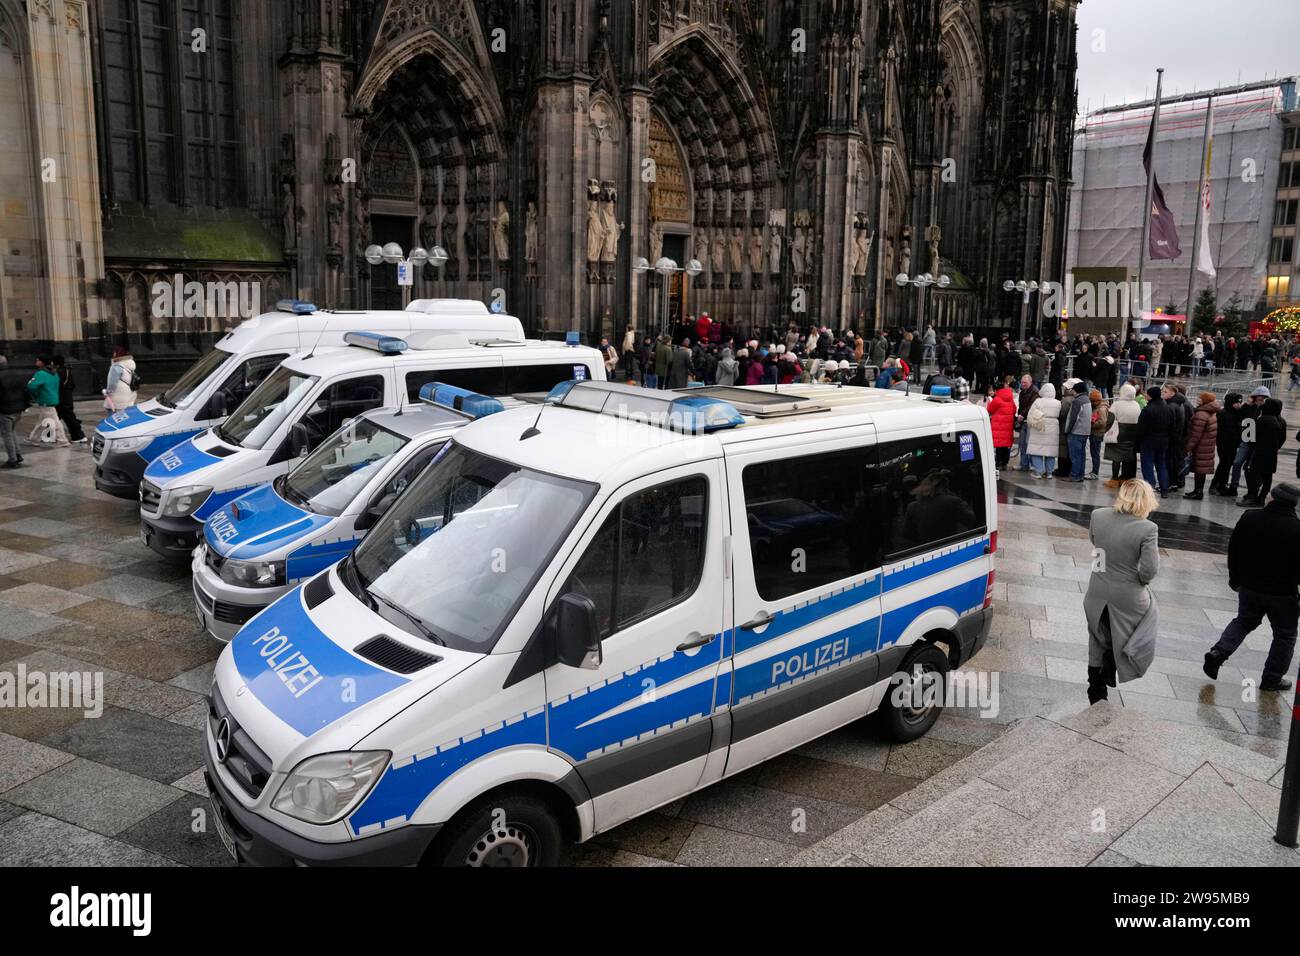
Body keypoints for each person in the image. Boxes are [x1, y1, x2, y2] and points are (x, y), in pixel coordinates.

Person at [1204, 481, 1300, 693]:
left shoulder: (1250, 517)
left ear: (1272, 498)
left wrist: (1234, 577)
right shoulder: (1297, 528)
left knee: (1244, 621)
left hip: (1249, 586)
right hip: (1283, 593)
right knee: (1284, 635)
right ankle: (1271, 679)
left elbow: (1234, 549)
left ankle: (1218, 652)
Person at [1083, 479, 1161, 704]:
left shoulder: (1098, 515)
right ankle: (1113, 664)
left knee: (1097, 638)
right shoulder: (1148, 528)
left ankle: (1095, 687)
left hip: (1096, 591)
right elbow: (1148, 572)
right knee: (1146, 620)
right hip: (1128, 596)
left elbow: (1095, 543)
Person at [1241, 398, 1286, 507]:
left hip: (1258, 452)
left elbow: (1252, 437)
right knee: (1267, 476)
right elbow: (1282, 439)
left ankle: (1252, 496)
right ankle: (1261, 498)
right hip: (1272, 453)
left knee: (1250, 472)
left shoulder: (1263, 420)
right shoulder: (1281, 421)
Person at [25, 356, 70, 447]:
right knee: (42, 421)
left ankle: (62, 440)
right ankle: (33, 439)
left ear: (42, 362)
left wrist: (36, 395)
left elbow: (31, 386)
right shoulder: (54, 372)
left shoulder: (41, 373)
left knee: (55, 421)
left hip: (45, 400)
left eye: (38, 360)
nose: (36, 361)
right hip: (52, 398)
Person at [1136, 385, 1173, 496]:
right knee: (1161, 464)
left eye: (1147, 394)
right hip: (1163, 441)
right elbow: (1172, 426)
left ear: (1151, 396)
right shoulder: (1167, 408)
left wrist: (1138, 441)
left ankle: (1149, 487)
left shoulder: (1148, 409)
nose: (1146, 395)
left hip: (1148, 442)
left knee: (1147, 465)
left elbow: (1141, 428)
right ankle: (1164, 489)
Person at [1182, 392, 1219, 500]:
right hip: (1207, 445)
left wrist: (1187, 448)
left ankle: (1198, 492)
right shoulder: (1211, 412)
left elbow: (1195, 434)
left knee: (1200, 470)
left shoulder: (1201, 414)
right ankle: (1198, 491)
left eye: (1200, 398)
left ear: (1205, 400)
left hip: (1201, 446)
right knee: (1201, 470)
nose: (1197, 399)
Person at [1103, 382, 1141, 487]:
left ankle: (1114, 479)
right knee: (1126, 457)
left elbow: (1110, 420)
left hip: (1119, 432)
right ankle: (1124, 478)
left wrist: (1106, 431)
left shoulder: (1117, 404)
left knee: (1116, 457)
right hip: (1132, 433)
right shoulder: (1136, 405)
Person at [1209, 392, 1244, 495]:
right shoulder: (1223, 413)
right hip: (1224, 444)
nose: (1239, 405)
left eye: (1240, 403)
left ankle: (1222, 484)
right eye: (1236, 403)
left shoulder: (1237, 413)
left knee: (1227, 464)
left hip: (1233, 444)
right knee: (1224, 464)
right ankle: (1215, 484)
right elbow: (1221, 430)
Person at [1025, 382, 1061, 479]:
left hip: (1039, 426)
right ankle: (1049, 473)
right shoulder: (1058, 403)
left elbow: (1030, 414)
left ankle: (1038, 471)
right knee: (1050, 452)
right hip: (1053, 427)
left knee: (1037, 450)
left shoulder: (1038, 401)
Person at [0, 354, 29, 468]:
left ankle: (13, 460)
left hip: (5, 410)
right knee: (12, 432)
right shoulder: (16, 374)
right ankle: (18, 454)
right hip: (17, 409)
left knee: (6, 434)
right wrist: (24, 406)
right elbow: (25, 391)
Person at [51, 356, 86, 444]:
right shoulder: (67, 371)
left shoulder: (57, 373)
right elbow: (72, 385)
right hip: (67, 398)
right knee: (61, 417)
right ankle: (50, 435)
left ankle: (79, 436)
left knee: (68, 418)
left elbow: (56, 386)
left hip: (60, 399)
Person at [1064, 381, 1092, 482]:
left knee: (1075, 456)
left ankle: (1074, 475)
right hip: (1085, 432)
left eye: (1074, 390)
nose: (1073, 392)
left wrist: (1068, 430)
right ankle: (1080, 475)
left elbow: (1073, 418)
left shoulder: (1077, 401)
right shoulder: (1087, 399)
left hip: (1076, 432)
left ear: (1077, 391)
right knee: (1081, 455)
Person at [985, 381, 1016, 475]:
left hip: (998, 425)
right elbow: (1014, 409)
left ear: (996, 390)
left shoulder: (997, 399)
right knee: (1005, 446)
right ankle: (1005, 463)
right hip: (1008, 425)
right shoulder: (1011, 398)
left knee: (999, 446)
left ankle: (998, 463)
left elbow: (989, 410)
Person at [103, 345, 138, 411]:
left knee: (113, 416)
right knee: (126, 415)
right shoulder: (129, 364)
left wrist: (107, 392)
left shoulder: (116, 366)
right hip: (130, 393)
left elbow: (112, 383)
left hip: (118, 395)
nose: (113, 353)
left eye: (114, 352)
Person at [1016, 375, 1039, 472]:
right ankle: (1024, 465)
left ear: (1030, 382)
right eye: (1022, 382)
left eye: (1025, 382)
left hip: (1029, 421)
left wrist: (1022, 415)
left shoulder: (1035, 392)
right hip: (1023, 421)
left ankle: (1032, 465)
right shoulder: (1022, 392)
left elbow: (1032, 406)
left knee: (1029, 444)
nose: (1023, 384)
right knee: (1022, 444)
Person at [1087, 388, 1111, 480]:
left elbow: (1102, 422)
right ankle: (1094, 471)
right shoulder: (1098, 407)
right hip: (1096, 433)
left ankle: (1095, 472)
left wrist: (1091, 425)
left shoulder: (1101, 408)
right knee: (1094, 453)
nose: (1091, 403)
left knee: (1095, 453)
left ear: (1096, 401)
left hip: (1097, 433)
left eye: (1092, 401)